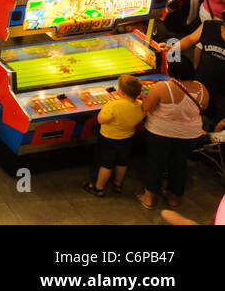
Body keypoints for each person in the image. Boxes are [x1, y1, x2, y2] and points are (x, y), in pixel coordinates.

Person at [138, 70, 209, 210]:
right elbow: (204, 106)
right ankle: (174, 199)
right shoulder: (201, 88)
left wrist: (144, 99)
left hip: (160, 132)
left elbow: (146, 108)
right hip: (188, 134)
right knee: (180, 164)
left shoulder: (163, 87)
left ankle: (149, 198)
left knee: (155, 164)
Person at [82, 73, 144, 197]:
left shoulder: (113, 105)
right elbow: (142, 115)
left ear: (121, 92)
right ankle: (118, 184)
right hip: (126, 139)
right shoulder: (140, 105)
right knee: (122, 162)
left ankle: (98, 187)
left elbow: (101, 120)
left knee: (106, 164)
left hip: (108, 139)